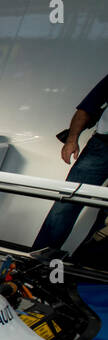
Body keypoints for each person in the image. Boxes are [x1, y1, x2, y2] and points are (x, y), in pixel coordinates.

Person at [31, 72, 108, 257]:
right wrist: (72, 140)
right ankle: (38, 260)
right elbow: (87, 107)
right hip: (102, 146)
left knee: (106, 220)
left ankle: (87, 266)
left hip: (100, 147)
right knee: (67, 203)